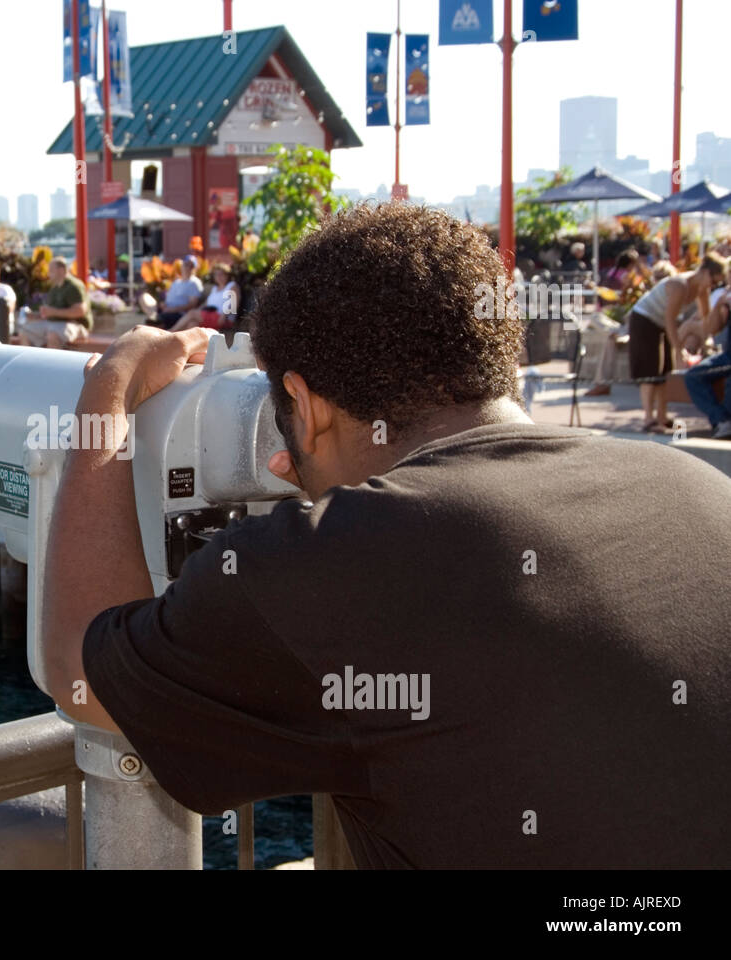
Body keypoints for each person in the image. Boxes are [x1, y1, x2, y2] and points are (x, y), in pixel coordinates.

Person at [41, 201, 731, 868]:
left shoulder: (346, 561)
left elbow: (82, 672)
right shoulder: (700, 488)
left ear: (305, 409)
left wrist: (110, 386)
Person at [627, 252, 726, 432]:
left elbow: (706, 319)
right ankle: (649, 419)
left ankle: (662, 416)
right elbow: (670, 320)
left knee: (666, 370)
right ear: (705, 272)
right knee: (650, 370)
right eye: (713, 281)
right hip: (644, 319)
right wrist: (678, 349)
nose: (713, 285)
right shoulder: (680, 285)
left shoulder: (702, 290)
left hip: (660, 323)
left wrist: (707, 342)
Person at [684, 291, 731, 438]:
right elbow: (711, 329)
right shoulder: (725, 295)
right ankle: (722, 420)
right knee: (693, 376)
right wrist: (719, 305)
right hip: (727, 356)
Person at [17, 259, 92, 348]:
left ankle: (53, 362)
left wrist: (53, 312)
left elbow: (80, 311)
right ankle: (30, 361)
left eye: (51, 270)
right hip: (54, 324)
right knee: (24, 331)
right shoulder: (55, 288)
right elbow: (50, 313)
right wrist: (36, 315)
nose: (48, 274)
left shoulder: (74, 285)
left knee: (53, 335)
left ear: (61, 270)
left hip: (77, 325)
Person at [170, 263, 239, 331]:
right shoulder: (215, 289)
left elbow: (233, 304)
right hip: (210, 315)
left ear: (227, 275)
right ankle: (175, 340)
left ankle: (170, 332)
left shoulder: (232, 286)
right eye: (216, 274)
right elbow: (206, 303)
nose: (218, 277)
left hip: (222, 318)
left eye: (221, 274)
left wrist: (223, 317)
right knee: (192, 324)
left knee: (192, 313)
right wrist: (198, 310)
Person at [150, 256, 204, 329]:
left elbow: (192, 305)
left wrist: (172, 309)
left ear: (194, 268)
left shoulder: (194, 283)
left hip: (179, 314)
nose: (187, 267)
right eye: (185, 264)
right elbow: (168, 298)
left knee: (155, 322)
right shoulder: (176, 282)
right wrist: (164, 304)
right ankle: (153, 316)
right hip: (167, 310)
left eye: (191, 266)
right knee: (145, 297)